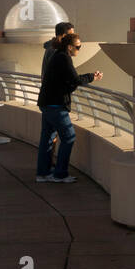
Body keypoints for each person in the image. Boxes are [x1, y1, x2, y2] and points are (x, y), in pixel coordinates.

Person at [36, 32, 102, 183]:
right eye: (78, 47)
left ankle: (43, 173)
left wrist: (88, 77)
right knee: (69, 137)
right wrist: (93, 77)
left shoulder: (57, 56)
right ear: (70, 47)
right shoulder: (64, 58)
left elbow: (67, 80)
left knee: (47, 139)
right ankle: (60, 174)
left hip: (46, 103)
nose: (79, 49)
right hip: (56, 105)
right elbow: (75, 79)